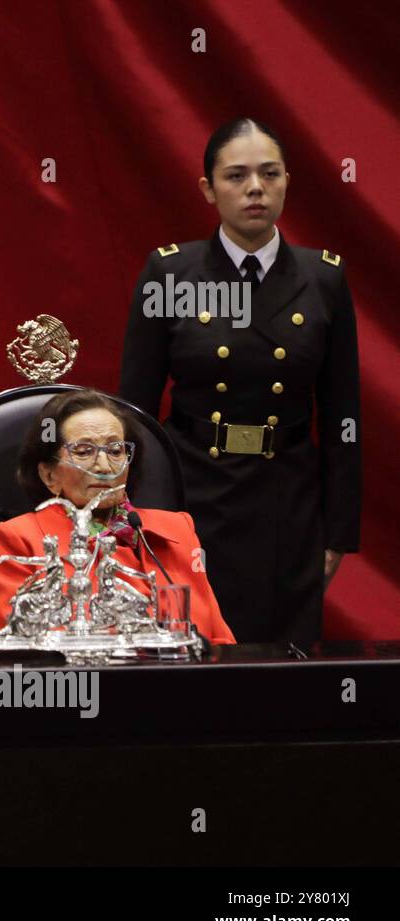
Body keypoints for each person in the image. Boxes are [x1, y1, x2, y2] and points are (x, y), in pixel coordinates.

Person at [119, 118, 361, 650]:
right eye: (237, 176)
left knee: (281, 674)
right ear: (209, 189)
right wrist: (132, 515)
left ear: (287, 181)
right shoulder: (172, 275)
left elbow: (343, 415)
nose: (255, 188)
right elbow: (133, 410)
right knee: (192, 664)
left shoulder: (322, 278)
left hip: (287, 502)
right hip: (191, 495)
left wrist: (338, 530)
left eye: (269, 174)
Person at [0, 389, 235, 644]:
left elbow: (220, 643)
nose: (105, 466)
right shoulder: (17, 540)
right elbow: (23, 650)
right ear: (49, 475)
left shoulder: (177, 529)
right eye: (83, 451)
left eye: (116, 451)